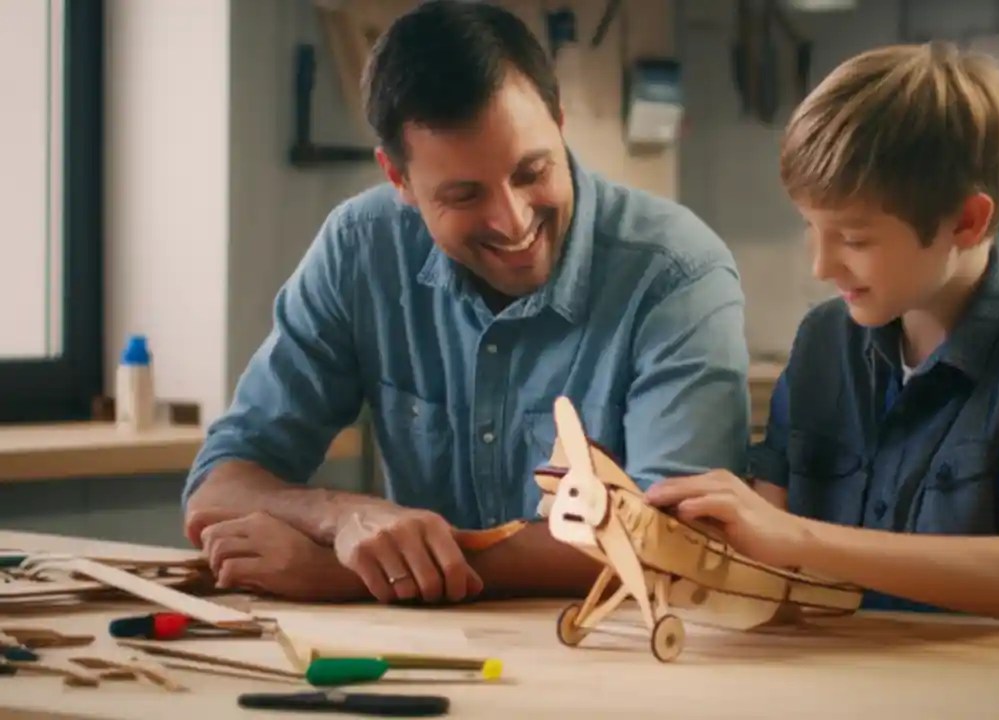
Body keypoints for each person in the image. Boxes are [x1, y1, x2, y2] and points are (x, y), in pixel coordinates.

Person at [182, 0, 749, 606]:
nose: (512, 219)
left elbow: (676, 544)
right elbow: (218, 488)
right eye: (464, 194)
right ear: (397, 179)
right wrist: (340, 516)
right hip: (430, 656)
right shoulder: (359, 248)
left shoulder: (677, 270)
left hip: (619, 657)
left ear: (558, 121)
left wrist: (356, 572)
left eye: (532, 171)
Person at [645, 42, 999, 627]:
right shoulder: (825, 341)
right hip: (850, 684)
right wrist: (667, 524)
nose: (821, 267)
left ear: (966, 221)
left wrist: (795, 536)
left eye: (854, 239)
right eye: (810, 227)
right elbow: (761, 549)